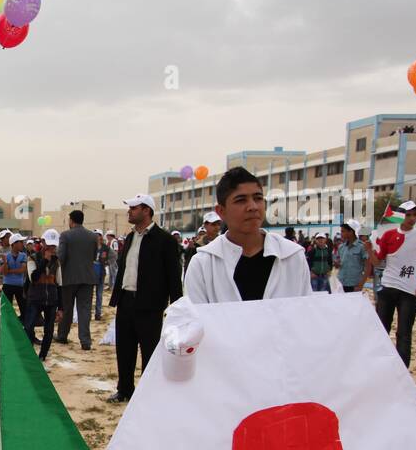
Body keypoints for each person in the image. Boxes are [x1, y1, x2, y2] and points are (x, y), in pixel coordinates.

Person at [182, 169, 310, 304]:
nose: (253, 207)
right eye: (241, 200)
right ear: (221, 211)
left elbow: (306, 314)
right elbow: (194, 319)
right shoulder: (203, 264)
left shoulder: (292, 256)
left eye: (258, 198)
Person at [108, 193, 182, 403]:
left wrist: (176, 307)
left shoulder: (165, 240)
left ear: (147, 210)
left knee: (149, 351)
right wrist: (117, 298)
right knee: (124, 349)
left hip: (150, 304)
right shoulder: (130, 237)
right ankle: (124, 389)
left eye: (134, 208)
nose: (129, 212)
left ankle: (149, 393)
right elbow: (124, 269)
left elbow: (173, 276)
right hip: (126, 301)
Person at [368, 199, 416, 367]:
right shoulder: (389, 235)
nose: (412, 218)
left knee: (404, 333)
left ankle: (402, 370)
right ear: (401, 216)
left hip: (410, 291)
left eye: (415, 215)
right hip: (388, 287)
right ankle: (379, 366)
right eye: (408, 215)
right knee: (382, 330)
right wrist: (369, 250)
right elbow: (378, 262)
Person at [54, 210, 98, 350]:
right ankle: (85, 341)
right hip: (87, 277)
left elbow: (61, 256)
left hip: (69, 278)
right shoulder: (92, 236)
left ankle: (62, 335)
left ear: (71, 220)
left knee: (67, 308)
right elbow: (93, 256)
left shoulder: (66, 235)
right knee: (84, 310)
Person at [25, 235, 61, 362]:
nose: (51, 248)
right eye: (49, 245)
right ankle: (28, 352)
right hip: (35, 298)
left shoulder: (56, 261)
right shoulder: (32, 258)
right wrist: (44, 261)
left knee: (49, 330)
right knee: (28, 327)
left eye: (53, 245)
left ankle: (42, 355)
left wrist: (60, 308)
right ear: (43, 243)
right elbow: (33, 278)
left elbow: (59, 284)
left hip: (51, 300)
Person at [0, 232, 28, 313]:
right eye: (20, 242)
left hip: (19, 285)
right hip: (8, 285)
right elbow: (4, 272)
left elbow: (23, 270)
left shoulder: (23, 255)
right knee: (7, 308)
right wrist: (6, 263)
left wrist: (9, 270)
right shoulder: (6, 256)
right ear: (14, 244)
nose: (22, 244)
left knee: (23, 308)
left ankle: (22, 323)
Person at [333, 220, 369, 292]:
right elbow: (339, 263)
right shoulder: (341, 247)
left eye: (343, 231)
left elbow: (368, 267)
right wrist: (337, 264)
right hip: (341, 283)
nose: (341, 234)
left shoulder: (362, 246)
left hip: (355, 285)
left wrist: (361, 284)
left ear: (351, 232)